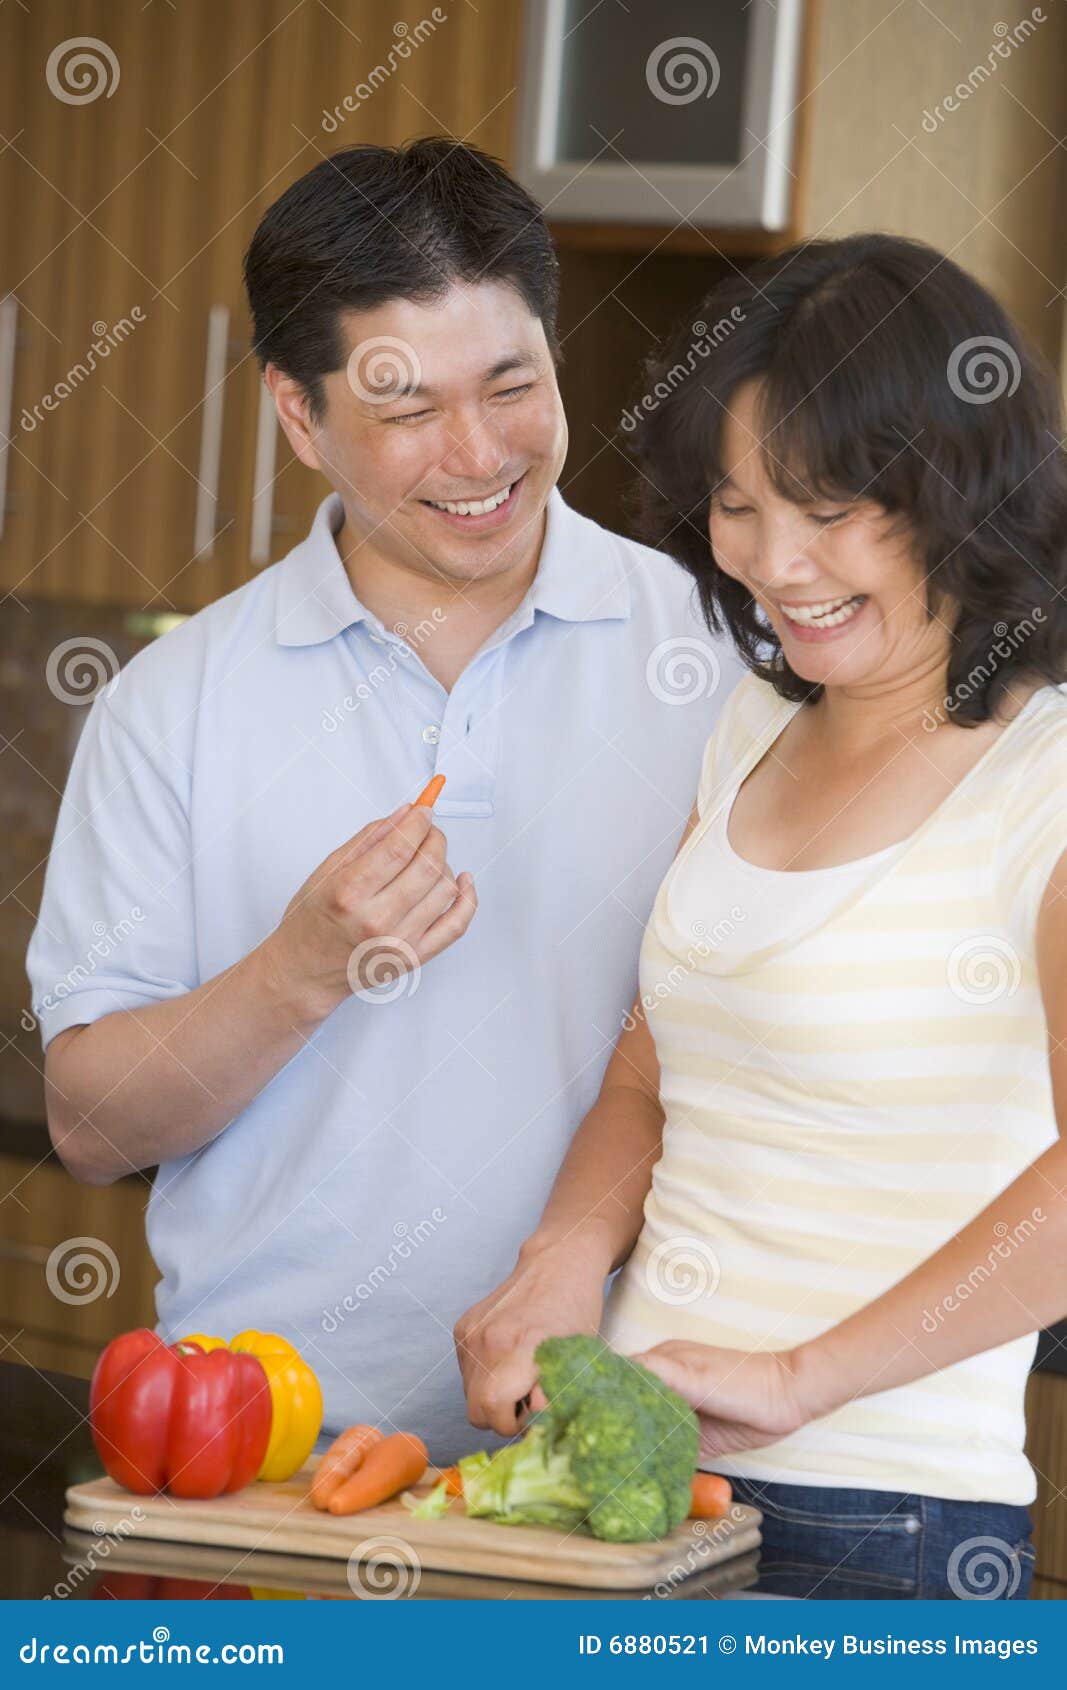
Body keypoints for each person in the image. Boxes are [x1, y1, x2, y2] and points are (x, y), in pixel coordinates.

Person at [24, 138, 741, 1463]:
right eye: (408, 407)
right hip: (259, 1449)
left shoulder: (719, 660)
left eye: (512, 384)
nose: (478, 454)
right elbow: (89, 1120)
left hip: (621, 1451)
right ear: (300, 416)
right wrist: (298, 969)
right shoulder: (173, 704)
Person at [456, 232, 1067, 1598]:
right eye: (737, 507)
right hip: (648, 1475)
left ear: (959, 491)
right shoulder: (750, 727)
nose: (776, 564)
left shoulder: (1048, 781)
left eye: (831, 505)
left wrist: (799, 1379)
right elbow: (651, 1068)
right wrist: (563, 1260)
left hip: (888, 1516)